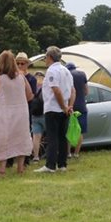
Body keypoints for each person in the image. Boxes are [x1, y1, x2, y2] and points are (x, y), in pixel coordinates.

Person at [35, 46, 75, 174]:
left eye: (46, 57)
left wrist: (63, 107)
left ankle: (50, 165)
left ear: (50, 57)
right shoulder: (66, 71)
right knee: (62, 137)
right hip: (64, 108)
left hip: (53, 108)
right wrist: (70, 106)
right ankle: (62, 164)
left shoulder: (52, 71)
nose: (45, 59)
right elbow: (73, 90)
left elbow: (56, 90)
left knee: (52, 137)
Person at [68, 62, 89, 158]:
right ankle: (76, 153)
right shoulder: (82, 74)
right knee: (79, 130)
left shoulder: (67, 75)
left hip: (69, 106)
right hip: (81, 106)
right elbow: (86, 91)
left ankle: (68, 153)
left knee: (68, 130)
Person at [30, 71, 46, 162]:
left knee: (36, 137)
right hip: (44, 114)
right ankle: (50, 154)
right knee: (50, 135)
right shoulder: (45, 86)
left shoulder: (33, 86)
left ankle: (36, 157)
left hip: (35, 114)